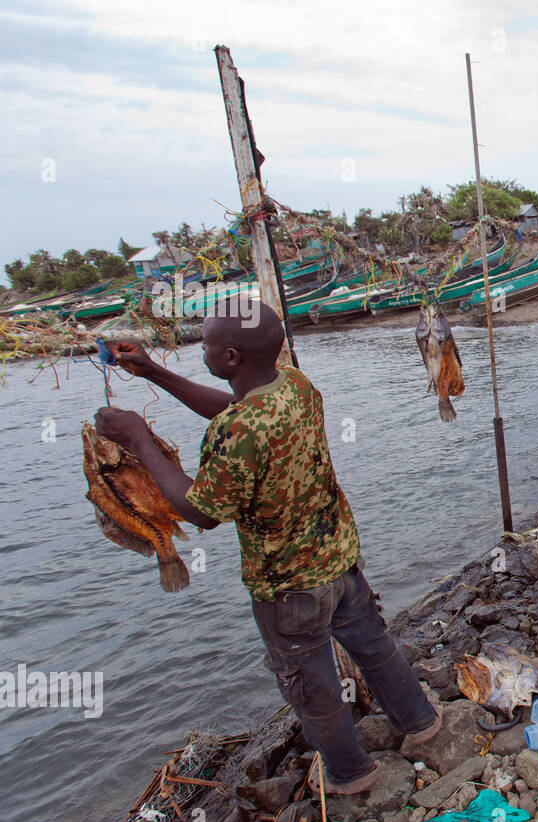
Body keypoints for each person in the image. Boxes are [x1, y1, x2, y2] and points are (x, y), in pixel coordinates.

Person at [93, 302, 442, 795]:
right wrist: (152, 371)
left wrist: (140, 439)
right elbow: (239, 411)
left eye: (207, 346)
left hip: (287, 588)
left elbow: (201, 511)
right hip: (340, 561)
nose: (203, 351)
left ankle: (351, 776)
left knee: (312, 686)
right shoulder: (294, 384)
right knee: (375, 648)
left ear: (231, 356)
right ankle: (421, 723)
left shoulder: (237, 431)